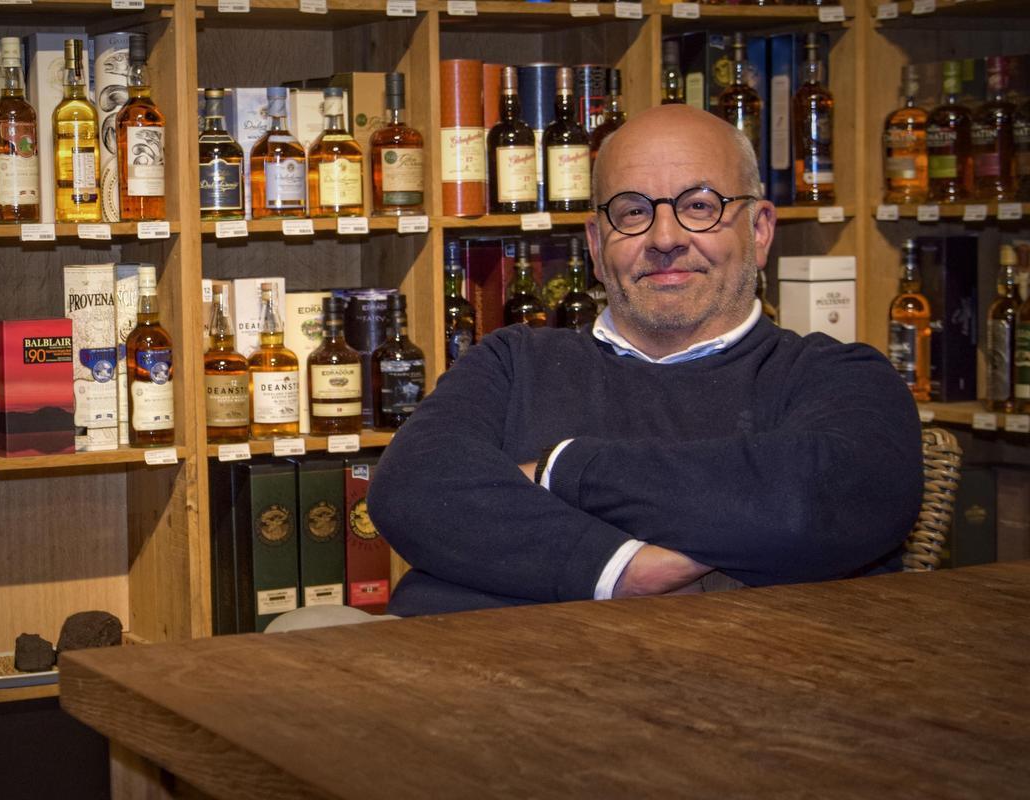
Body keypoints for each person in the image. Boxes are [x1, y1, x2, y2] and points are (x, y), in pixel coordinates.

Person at [369, 104, 923, 616]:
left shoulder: (838, 378)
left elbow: (816, 503)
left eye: (700, 206)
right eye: (632, 211)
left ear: (759, 231)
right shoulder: (513, 360)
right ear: (594, 240)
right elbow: (412, 489)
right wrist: (621, 570)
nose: (665, 237)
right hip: (453, 682)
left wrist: (560, 470)